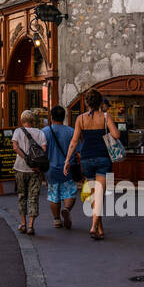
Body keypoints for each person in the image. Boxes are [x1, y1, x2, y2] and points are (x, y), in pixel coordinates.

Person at [64, 90, 121, 240]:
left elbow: (74, 141)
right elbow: (116, 135)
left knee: (95, 195)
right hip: (103, 158)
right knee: (99, 195)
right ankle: (93, 226)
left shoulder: (80, 119)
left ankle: (100, 229)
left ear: (86, 103)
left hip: (86, 159)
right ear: (100, 102)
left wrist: (67, 160)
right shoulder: (105, 116)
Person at [12, 109, 47, 235]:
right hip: (35, 170)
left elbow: (15, 147)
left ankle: (23, 223)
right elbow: (43, 150)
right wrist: (35, 163)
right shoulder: (40, 133)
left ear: (22, 121)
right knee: (34, 196)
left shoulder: (18, 131)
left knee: (22, 195)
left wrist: (26, 158)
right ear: (33, 121)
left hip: (20, 168)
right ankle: (31, 225)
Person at [43, 106, 78, 229]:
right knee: (70, 192)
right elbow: (77, 150)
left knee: (54, 194)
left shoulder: (45, 131)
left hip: (51, 168)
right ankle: (67, 209)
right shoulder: (71, 131)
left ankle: (57, 220)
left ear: (51, 117)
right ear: (64, 117)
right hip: (68, 167)